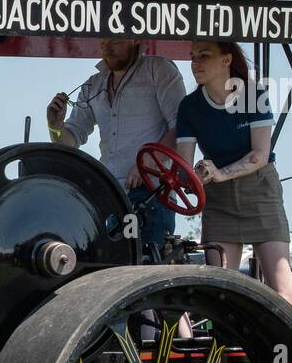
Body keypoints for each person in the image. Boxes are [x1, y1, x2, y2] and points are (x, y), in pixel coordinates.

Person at [175, 40, 292, 322]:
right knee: (221, 294)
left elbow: (260, 155)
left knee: (285, 294)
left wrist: (222, 173)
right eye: (192, 56)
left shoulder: (254, 95)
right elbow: (184, 169)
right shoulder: (189, 107)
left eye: (204, 55)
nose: (195, 63)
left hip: (260, 191)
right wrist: (198, 175)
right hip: (218, 200)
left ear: (226, 60)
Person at [47, 38, 187, 257]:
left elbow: (182, 125)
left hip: (151, 194)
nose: (107, 47)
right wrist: (55, 125)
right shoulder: (93, 84)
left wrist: (150, 161)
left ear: (135, 38)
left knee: (146, 271)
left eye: (115, 39)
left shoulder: (158, 69)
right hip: (110, 197)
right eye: (103, 41)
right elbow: (70, 140)